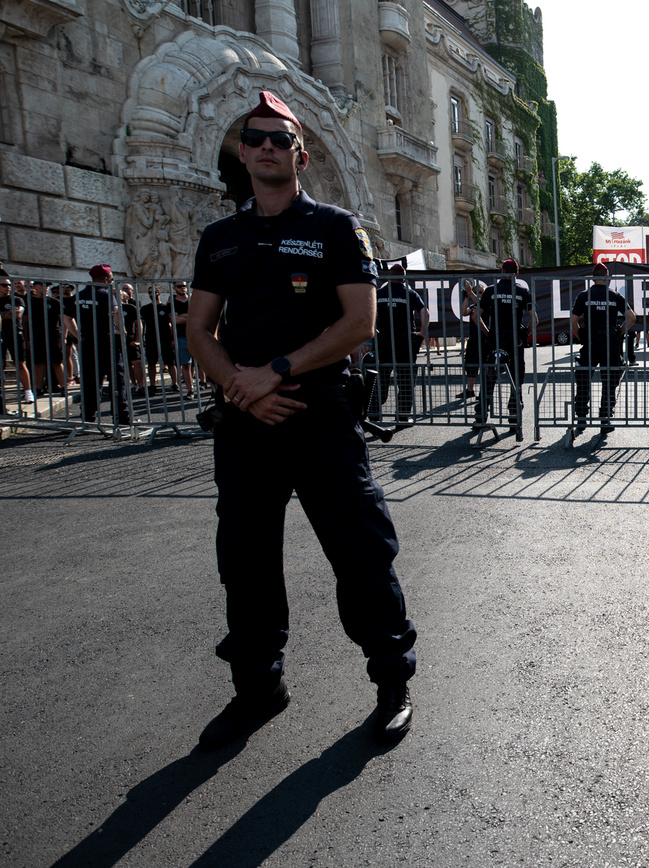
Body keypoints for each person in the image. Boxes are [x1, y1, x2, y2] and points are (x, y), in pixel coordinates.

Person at [187, 90, 416, 748]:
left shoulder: (336, 229)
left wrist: (277, 371)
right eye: (254, 137)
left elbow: (359, 322)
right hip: (245, 417)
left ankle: (393, 682)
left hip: (318, 411)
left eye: (278, 139)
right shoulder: (220, 239)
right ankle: (259, 688)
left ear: (300, 155)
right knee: (246, 560)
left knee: (362, 553)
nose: (265, 146)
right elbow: (200, 328)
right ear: (241, 151)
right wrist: (240, 386)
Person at [569, 262, 632, 435]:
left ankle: (581, 418)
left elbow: (573, 321)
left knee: (583, 380)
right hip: (609, 344)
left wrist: (580, 335)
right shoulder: (615, 295)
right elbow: (631, 318)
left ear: (593, 277)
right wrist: (619, 332)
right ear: (607, 276)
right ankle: (605, 418)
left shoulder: (584, 295)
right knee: (609, 382)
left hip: (589, 343)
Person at [474, 258, 535, 436]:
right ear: (516, 274)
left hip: (495, 340)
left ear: (501, 271)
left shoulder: (491, 291)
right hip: (515, 341)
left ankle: (480, 416)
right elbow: (535, 319)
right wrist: (526, 333)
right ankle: (514, 418)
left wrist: (488, 333)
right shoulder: (523, 291)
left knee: (489, 378)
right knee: (515, 380)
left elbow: (475, 316)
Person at [75, 264, 131, 425]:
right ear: (106, 279)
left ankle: (88, 416)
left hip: (87, 343)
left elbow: (66, 317)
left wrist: (77, 334)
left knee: (91, 381)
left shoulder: (80, 294)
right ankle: (121, 416)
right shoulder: (106, 294)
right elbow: (116, 312)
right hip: (108, 343)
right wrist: (122, 331)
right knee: (117, 380)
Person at [373, 263, 427, 423]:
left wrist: (373, 331)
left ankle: (374, 411)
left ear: (389, 276)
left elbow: (369, 312)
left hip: (384, 339)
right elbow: (425, 312)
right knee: (406, 377)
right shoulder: (409, 293)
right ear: (404, 278)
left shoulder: (379, 292)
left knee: (382, 374)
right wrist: (422, 333)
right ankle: (403, 415)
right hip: (405, 339)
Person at [24, 279, 66, 396]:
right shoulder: (29, 302)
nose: (45, 287)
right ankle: (38, 388)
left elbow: (63, 320)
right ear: (35, 287)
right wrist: (27, 338)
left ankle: (64, 387)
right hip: (36, 336)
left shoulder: (54, 302)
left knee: (57, 362)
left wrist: (63, 336)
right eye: (42, 285)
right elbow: (25, 321)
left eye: (47, 285)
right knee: (39, 362)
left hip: (53, 336)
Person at [0, 272, 34, 405]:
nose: (7, 287)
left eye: (8, 285)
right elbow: (10, 314)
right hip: (1, 335)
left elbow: (17, 314)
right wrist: (7, 314)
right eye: (4, 285)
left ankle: (28, 392)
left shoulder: (17, 299)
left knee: (20, 363)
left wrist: (3, 315)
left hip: (15, 334)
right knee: (0, 365)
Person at [140, 285, 178, 393]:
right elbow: (142, 325)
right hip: (151, 338)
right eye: (150, 293)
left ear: (159, 293)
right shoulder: (145, 309)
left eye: (155, 292)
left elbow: (171, 324)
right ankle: (152, 385)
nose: (152, 294)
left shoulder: (165, 307)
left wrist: (173, 339)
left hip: (165, 337)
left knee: (170, 362)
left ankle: (174, 383)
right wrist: (141, 338)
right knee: (151, 362)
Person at [170, 281, 196, 398]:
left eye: (184, 286)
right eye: (179, 286)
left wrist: (183, 317)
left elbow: (198, 318)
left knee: (204, 364)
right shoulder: (172, 303)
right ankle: (190, 390)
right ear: (174, 288)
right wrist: (189, 317)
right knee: (185, 365)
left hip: (196, 336)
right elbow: (174, 320)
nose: (182, 288)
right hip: (181, 337)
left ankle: (212, 389)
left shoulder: (193, 301)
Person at [457, 281, 481, 400]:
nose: (477, 294)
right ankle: (469, 390)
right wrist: (467, 297)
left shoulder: (487, 304)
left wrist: (471, 292)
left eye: (480, 292)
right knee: (471, 365)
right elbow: (463, 312)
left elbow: (481, 302)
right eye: (476, 292)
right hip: (473, 340)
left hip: (485, 339)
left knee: (487, 367)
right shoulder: (472, 306)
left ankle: (484, 392)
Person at [120, 284, 145, 396]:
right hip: (119, 339)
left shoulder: (131, 308)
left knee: (137, 362)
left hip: (131, 338)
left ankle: (141, 385)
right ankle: (133, 383)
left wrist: (138, 340)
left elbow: (139, 324)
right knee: (127, 363)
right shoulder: (113, 308)